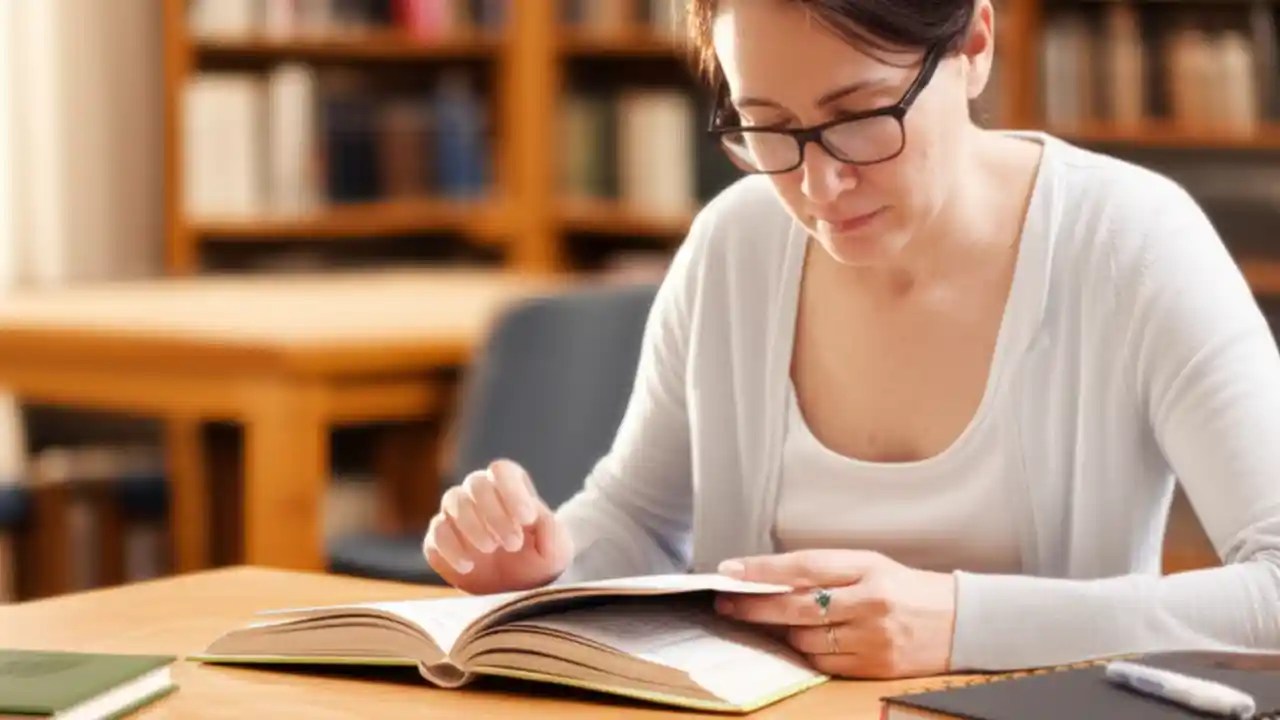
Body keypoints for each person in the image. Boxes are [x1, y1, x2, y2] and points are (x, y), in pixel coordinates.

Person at [423, 0, 1280, 679]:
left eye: (863, 115)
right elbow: (642, 517)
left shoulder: (1131, 244)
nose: (817, 184)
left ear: (975, 44)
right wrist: (543, 570)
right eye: (765, 124)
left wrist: (960, 623)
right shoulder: (736, 242)